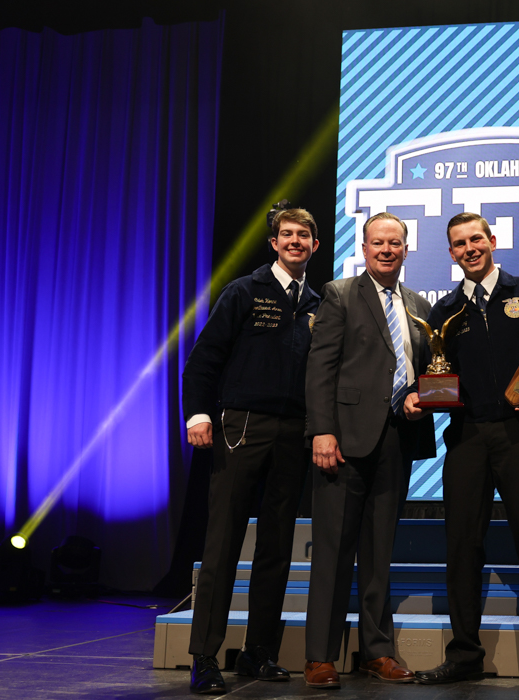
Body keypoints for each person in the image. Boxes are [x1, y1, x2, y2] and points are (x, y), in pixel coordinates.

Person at [416, 212, 519, 696]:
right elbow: (434, 375)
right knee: (461, 548)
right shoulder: (442, 313)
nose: (469, 248)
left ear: (493, 240)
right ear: (451, 253)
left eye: (476, 239)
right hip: (465, 438)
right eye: (459, 243)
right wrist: (426, 394)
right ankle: (465, 655)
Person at [181, 202, 321, 695]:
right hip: (241, 427)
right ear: (274, 243)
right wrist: (198, 413)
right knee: (222, 545)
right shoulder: (245, 291)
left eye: (303, 235)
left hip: (295, 433)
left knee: (277, 547)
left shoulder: (318, 304)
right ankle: (204, 656)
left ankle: (258, 651)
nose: (295, 242)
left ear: (316, 245)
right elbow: (204, 359)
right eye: (287, 234)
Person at [303, 211, 436, 689]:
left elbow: (424, 369)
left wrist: (426, 395)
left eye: (394, 243)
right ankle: (320, 655)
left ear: (406, 249)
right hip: (343, 441)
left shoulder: (418, 304)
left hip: (397, 440)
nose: (386, 249)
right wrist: (322, 430)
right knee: (334, 554)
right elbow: (320, 368)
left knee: (380, 556)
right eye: (378, 242)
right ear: (364, 249)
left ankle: (376, 652)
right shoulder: (340, 294)